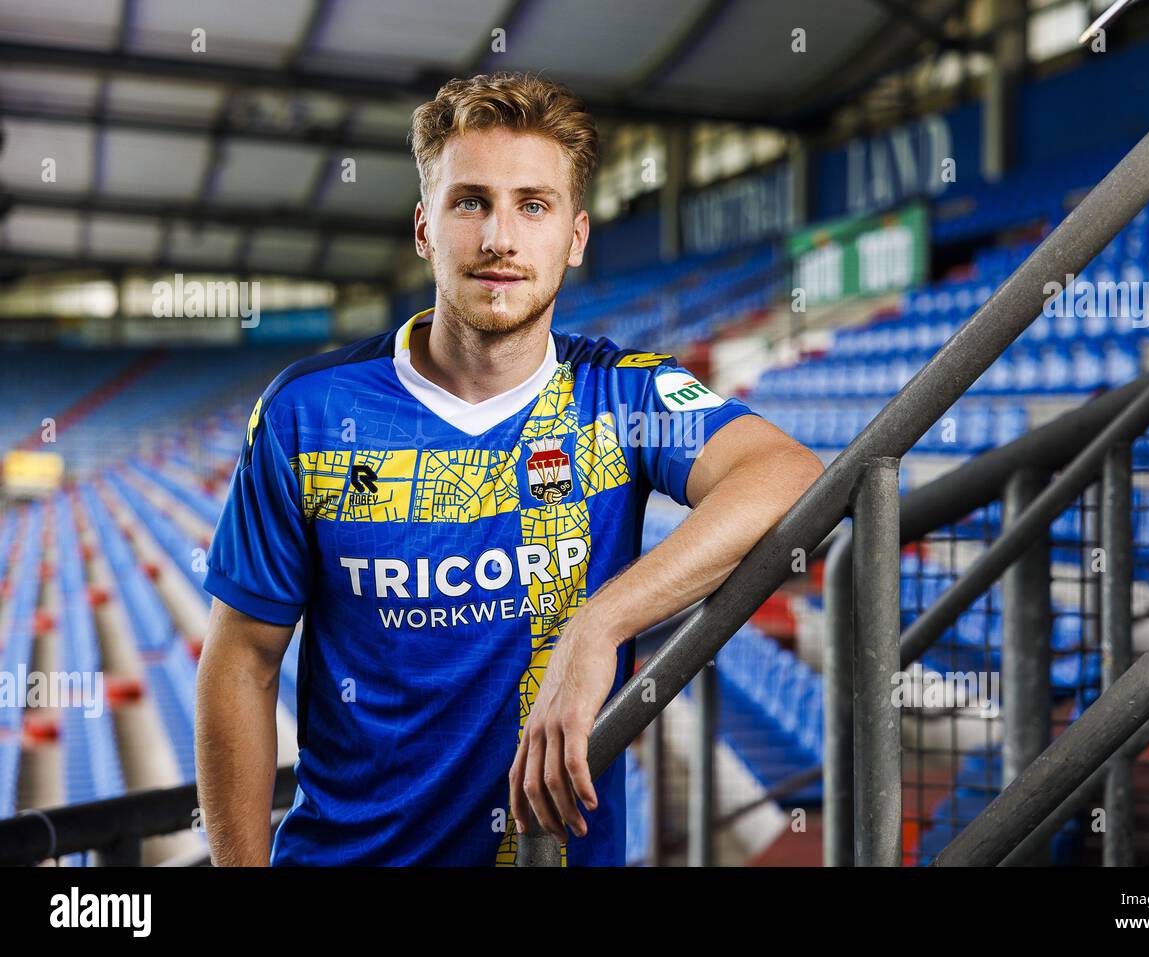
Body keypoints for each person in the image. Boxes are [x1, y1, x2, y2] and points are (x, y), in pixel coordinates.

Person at [195, 71, 823, 866]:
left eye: (533, 204)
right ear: (425, 228)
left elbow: (786, 470)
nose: (500, 237)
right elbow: (243, 659)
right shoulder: (306, 413)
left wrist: (601, 623)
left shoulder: (619, 395)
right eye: (471, 202)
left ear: (576, 236)